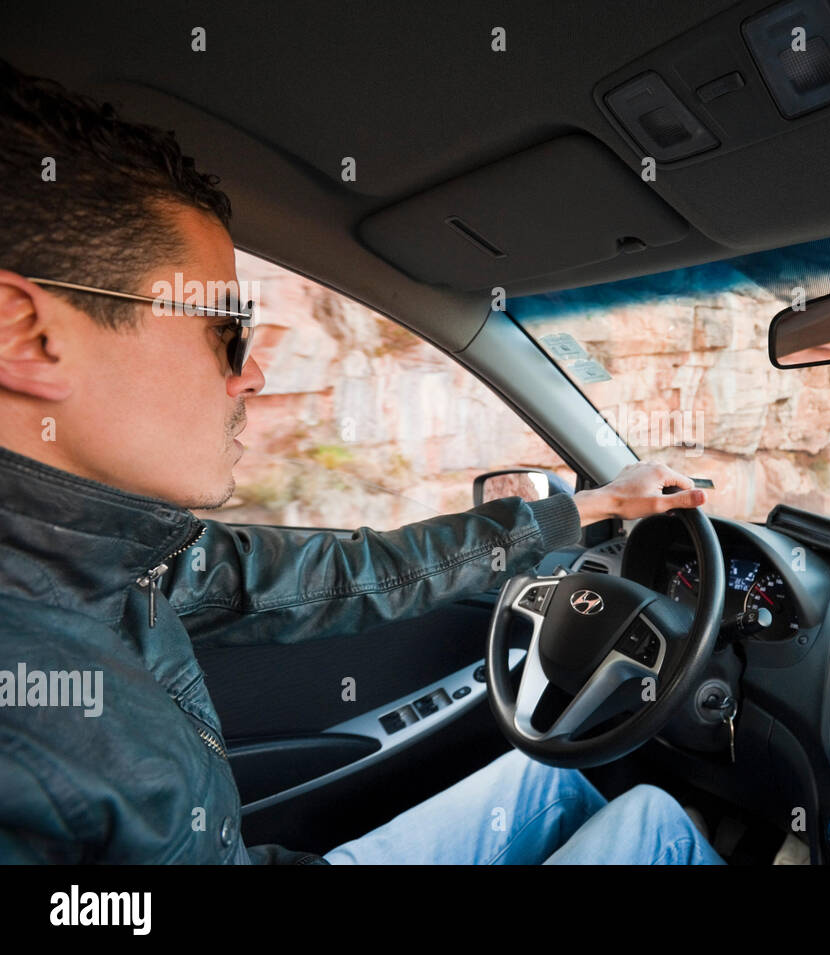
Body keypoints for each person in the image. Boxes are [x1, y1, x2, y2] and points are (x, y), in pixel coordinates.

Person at [0, 60, 722, 865]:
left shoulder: (124, 560)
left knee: (543, 780)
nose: (254, 373)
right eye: (224, 331)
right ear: (25, 333)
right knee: (651, 821)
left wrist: (593, 507)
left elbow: (343, 572)